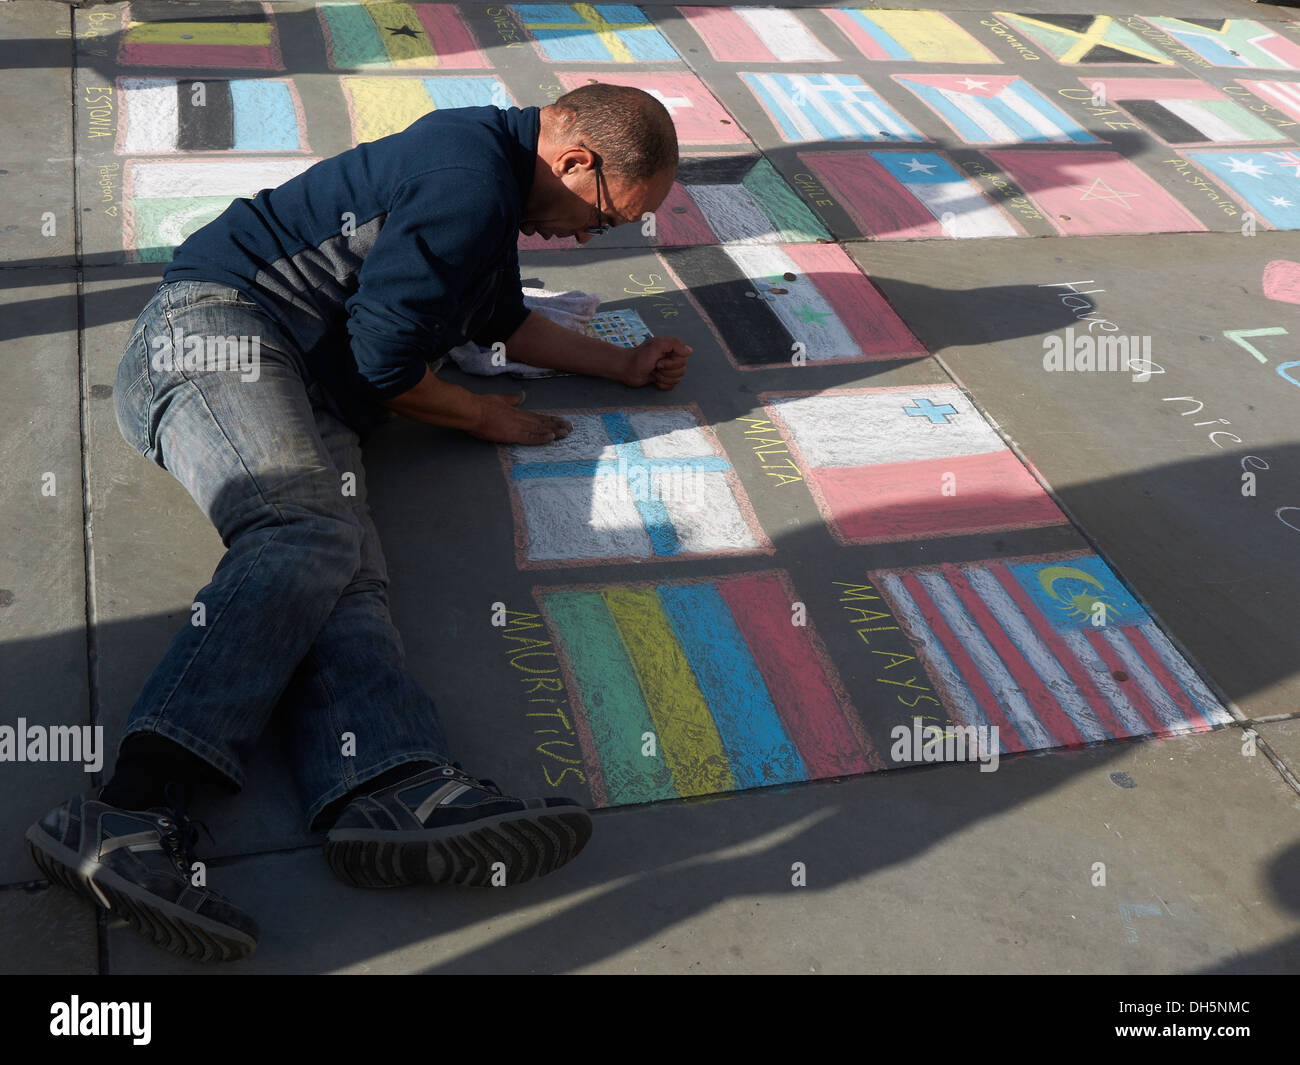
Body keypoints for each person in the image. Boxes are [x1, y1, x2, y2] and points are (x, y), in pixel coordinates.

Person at [26, 84, 689, 962]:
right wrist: (486, 418)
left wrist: (622, 365)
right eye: (605, 217)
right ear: (575, 161)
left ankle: (386, 778)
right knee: (306, 531)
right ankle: (128, 808)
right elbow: (384, 368)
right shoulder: (469, 182)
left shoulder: (489, 180)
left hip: (296, 377)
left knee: (348, 575)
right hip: (214, 335)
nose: (587, 237)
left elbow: (502, 321)